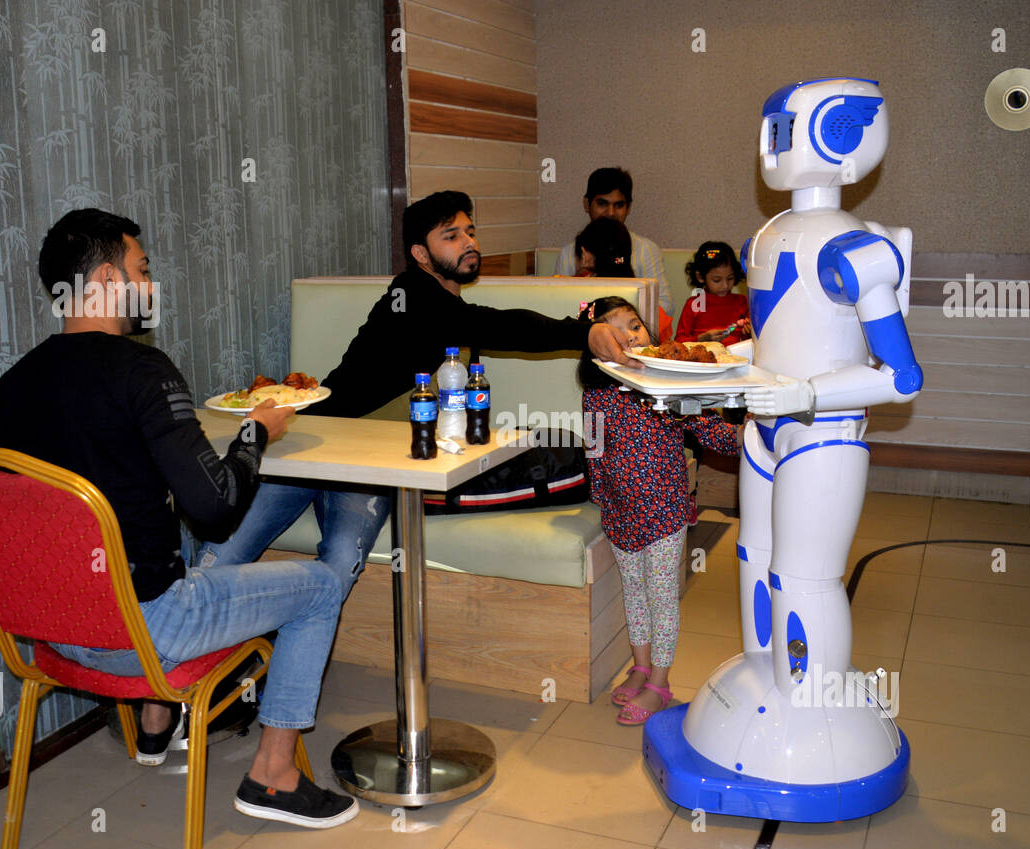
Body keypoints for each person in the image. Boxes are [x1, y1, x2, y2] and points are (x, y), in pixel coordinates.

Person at [0, 208, 357, 828]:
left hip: (50, 632)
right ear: (108, 278)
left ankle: (155, 725)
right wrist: (255, 432)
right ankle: (272, 777)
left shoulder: (13, 385)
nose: (151, 285)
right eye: (143, 269)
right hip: (143, 634)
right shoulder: (142, 371)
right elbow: (215, 512)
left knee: (154, 545)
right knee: (321, 584)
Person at [195, 191, 636, 612]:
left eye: (470, 231)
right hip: (315, 441)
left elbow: (473, 331)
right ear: (421, 254)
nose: (469, 243)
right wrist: (583, 331)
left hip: (369, 468)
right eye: (451, 235)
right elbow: (496, 325)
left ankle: (267, 627)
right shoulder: (409, 297)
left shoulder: (443, 309)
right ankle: (181, 639)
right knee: (228, 551)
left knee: (340, 564)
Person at [577, 296, 739, 725]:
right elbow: (594, 451)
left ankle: (661, 684)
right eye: (616, 330)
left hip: (665, 512)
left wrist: (747, 438)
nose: (630, 335)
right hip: (621, 513)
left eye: (635, 325)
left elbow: (707, 427)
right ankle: (642, 667)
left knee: (662, 597)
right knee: (635, 594)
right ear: (594, 345)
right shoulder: (596, 394)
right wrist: (603, 500)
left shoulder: (666, 387)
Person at [553, 167, 674, 314]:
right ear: (587, 204)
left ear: (628, 207)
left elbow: (665, 307)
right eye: (602, 203)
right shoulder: (569, 253)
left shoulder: (646, 250)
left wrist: (620, 318)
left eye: (619, 205)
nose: (610, 213)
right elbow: (558, 305)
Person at [674, 241, 750, 345]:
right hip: (702, 359)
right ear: (700, 277)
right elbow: (679, 341)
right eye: (717, 280)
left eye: (730, 278)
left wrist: (749, 332)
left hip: (735, 358)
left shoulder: (742, 302)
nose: (725, 286)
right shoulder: (695, 304)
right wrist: (701, 339)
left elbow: (753, 341)